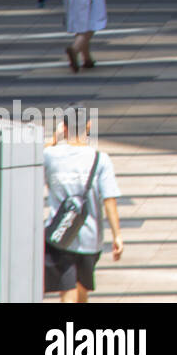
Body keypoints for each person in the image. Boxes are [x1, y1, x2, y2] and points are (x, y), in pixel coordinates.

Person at [43, 105, 122, 301]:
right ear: (89, 126)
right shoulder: (100, 159)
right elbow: (109, 199)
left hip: (59, 234)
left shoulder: (50, 156)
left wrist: (54, 138)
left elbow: (29, 160)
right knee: (81, 289)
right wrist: (117, 235)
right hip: (90, 238)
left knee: (67, 288)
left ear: (65, 127)